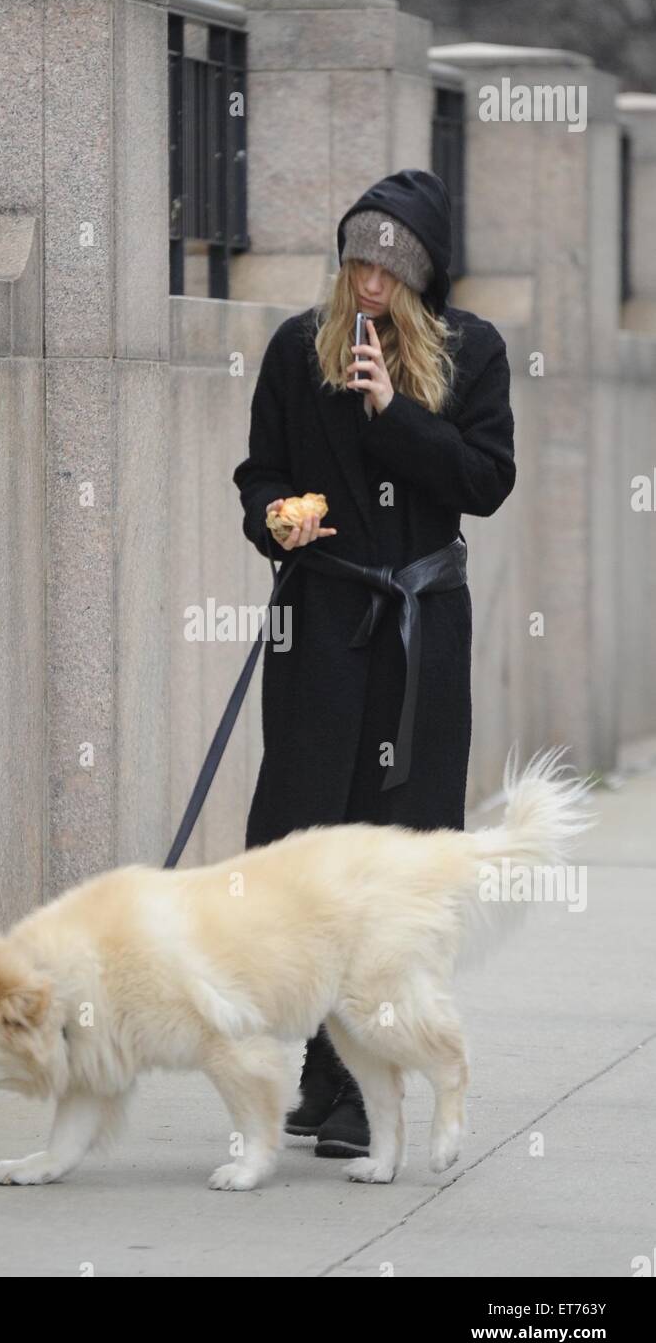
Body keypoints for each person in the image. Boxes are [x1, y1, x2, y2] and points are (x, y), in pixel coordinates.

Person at [232, 167, 516, 1158]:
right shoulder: (292, 350)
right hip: (322, 628)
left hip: (419, 636)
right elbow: (261, 468)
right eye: (358, 261)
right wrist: (277, 517)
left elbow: (485, 480)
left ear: (422, 278)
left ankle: (367, 1087)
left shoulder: (474, 353)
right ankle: (321, 1070)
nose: (368, 285)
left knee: (392, 862)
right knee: (307, 845)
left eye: (389, 268)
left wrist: (395, 410)